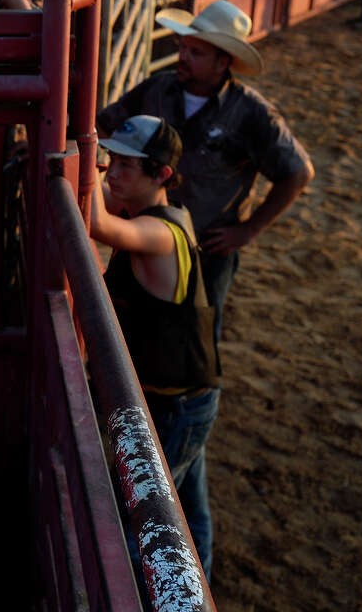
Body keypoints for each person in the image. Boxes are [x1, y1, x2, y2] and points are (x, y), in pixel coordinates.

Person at [97, 0, 314, 347]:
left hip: (209, 247)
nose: (183, 57)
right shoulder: (157, 89)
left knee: (196, 337)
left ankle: (185, 401)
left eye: (196, 52)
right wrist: (124, 183)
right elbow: (106, 125)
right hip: (147, 232)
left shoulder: (251, 112)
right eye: (183, 48)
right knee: (132, 325)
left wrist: (247, 230)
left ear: (222, 62)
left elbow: (298, 172)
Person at [90, 115, 220, 579]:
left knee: (144, 523)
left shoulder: (159, 234)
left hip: (176, 403)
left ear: (161, 175)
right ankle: (202, 580)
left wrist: (75, 167)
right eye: (111, 161)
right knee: (189, 509)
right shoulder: (162, 213)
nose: (113, 173)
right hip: (184, 393)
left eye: (126, 165)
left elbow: (95, 223)